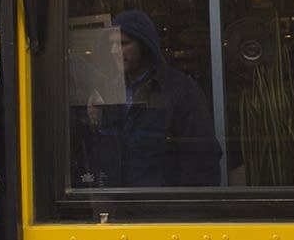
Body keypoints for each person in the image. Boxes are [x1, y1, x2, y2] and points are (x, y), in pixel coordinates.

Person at [76, 10, 221, 187]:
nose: (114, 51)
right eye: (111, 44)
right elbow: (98, 154)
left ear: (144, 45)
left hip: (162, 206)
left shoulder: (179, 89)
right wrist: (94, 123)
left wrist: (184, 208)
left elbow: (202, 157)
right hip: (118, 205)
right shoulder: (106, 92)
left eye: (123, 43)